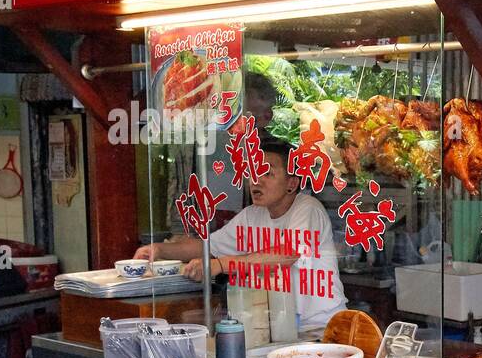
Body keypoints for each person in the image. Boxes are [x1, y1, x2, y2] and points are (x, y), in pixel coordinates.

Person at [135, 135, 348, 335]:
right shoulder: (251, 215)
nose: (257, 180)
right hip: (284, 329)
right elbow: (208, 246)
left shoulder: (307, 208)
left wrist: (220, 264)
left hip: (322, 328)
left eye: (268, 173)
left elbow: (287, 254)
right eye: (254, 172)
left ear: (292, 183)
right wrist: (159, 249)